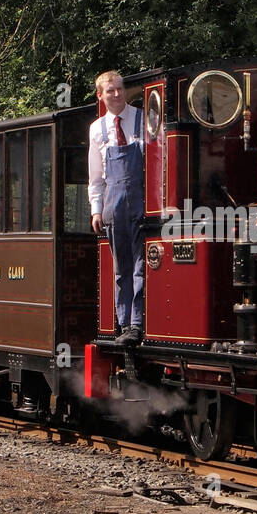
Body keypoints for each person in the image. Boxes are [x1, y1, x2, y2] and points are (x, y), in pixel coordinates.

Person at [89, 69, 146, 346]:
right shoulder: (97, 129)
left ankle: (138, 323)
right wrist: (96, 210)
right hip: (113, 203)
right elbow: (96, 175)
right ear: (101, 95)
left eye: (120, 89)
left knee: (141, 265)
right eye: (110, 90)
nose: (116, 94)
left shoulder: (143, 118)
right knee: (122, 268)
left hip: (141, 202)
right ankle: (124, 324)